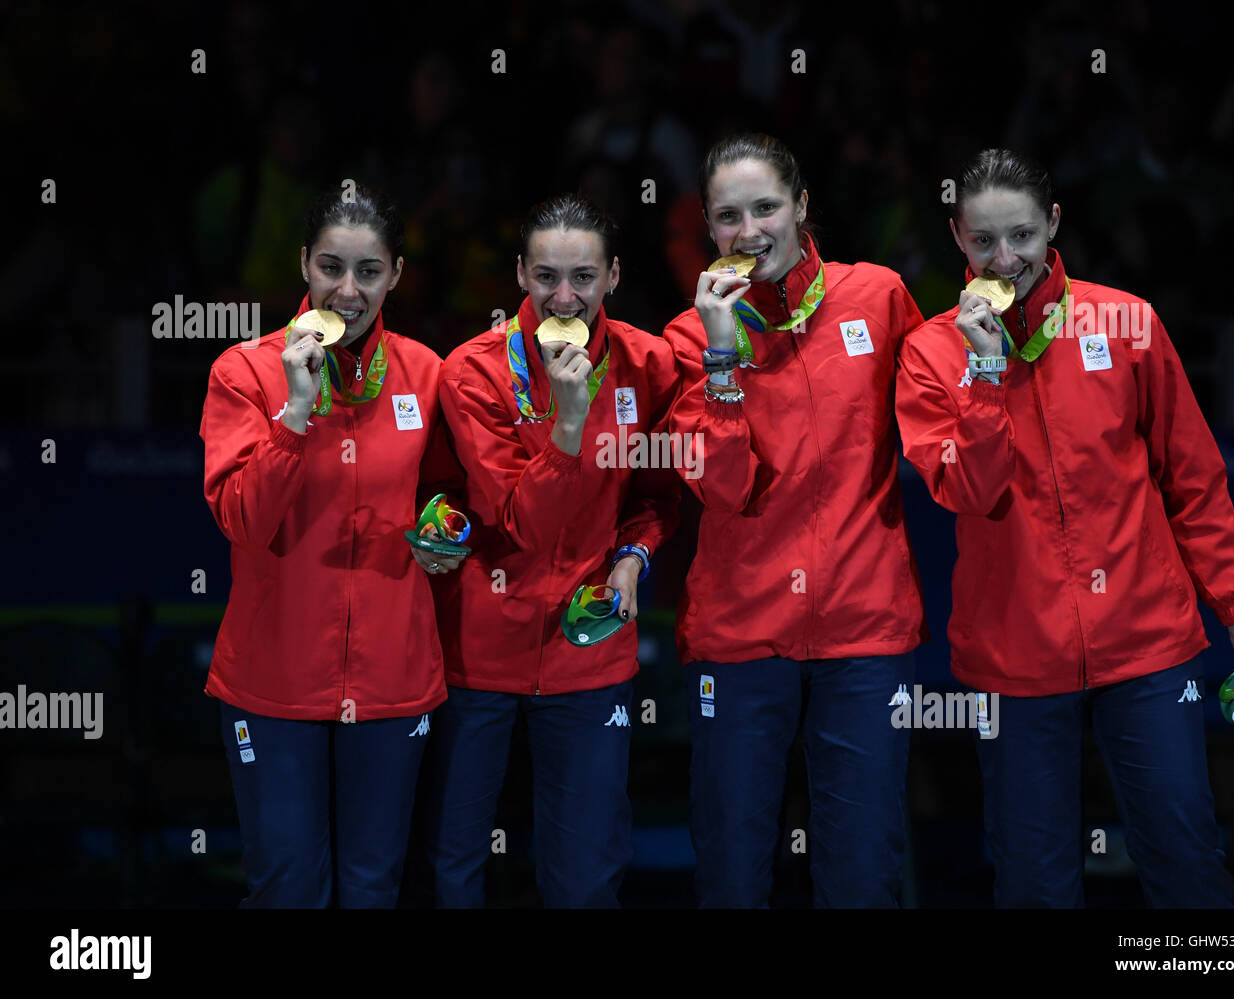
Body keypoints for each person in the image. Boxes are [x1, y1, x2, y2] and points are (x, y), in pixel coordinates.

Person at [895, 148, 1234, 907]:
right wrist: (984, 375)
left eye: (1020, 235)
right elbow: (969, 492)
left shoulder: (1128, 321)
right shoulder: (929, 352)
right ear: (956, 235)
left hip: (1146, 641)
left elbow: (1194, 479)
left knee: (1184, 858)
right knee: (1034, 880)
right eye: (984, 241)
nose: (1004, 259)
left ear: (1053, 223)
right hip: (1014, 655)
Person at [663, 133, 927, 908]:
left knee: (863, 873)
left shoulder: (877, 297)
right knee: (734, 873)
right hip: (741, 635)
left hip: (864, 632)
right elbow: (722, 484)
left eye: (766, 208)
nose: (749, 233)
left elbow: (939, 426)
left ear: (803, 205)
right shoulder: (691, 336)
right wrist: (721, 357)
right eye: (728, 217)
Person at [201, 185, 464, 907]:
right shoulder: (244, 373)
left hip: (392, 681)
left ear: (397, 275)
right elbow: (244, 521)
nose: (348, 291)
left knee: (372, 888)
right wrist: (293, 413)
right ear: (303, 265)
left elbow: (447, 495)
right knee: (289, 888)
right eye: (331, 267)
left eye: (370, 271)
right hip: (273, 682)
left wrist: (448, 533)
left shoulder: (426, 374)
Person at [420, 194, 681, 907]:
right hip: (481, 647)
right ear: (518, 275)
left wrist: (634, 556)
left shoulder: (649, 364)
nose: (564, 297)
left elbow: (657, 495)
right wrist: (569, 427)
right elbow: (519, 518)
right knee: (456, 865)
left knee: (587, 871)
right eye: (544, 278)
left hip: (589, 644)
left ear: (615, 275)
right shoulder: (471, 372)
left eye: (584, 278)